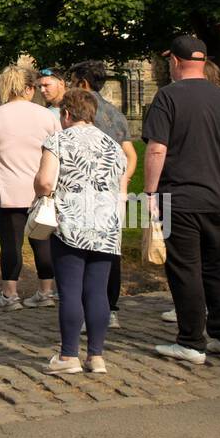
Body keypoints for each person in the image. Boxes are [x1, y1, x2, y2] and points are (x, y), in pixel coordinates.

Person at [142, 36, 220, 364]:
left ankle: (191, 342)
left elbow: (157, 148)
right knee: (218, 267)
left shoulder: (167, 97)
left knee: (185, 269)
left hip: (179, 198)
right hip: (218, 197)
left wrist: (148, 194)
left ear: (175, 61)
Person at [34, 88, 128, 375]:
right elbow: (120, 187)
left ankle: (68, 356)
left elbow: (46, 182)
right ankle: (96, 356)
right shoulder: (113, 145)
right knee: (97, 290)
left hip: (70, 223)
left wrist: (39, 190)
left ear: (66, 114)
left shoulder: (58, 140)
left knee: (71, 290)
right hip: (106, 224)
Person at [0, 65, 59, 311]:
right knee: (42, 241)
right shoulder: (46, 116)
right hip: (40, 189)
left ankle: (10, 295)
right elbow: (58, 151)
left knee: (10, 243)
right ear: (30, 88)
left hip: (5, 188)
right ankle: (46, 291)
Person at [67, 61, 137, 328]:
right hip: (112, 192)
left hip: (83, 191)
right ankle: (110, 309)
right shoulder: (115, 113)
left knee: (82, 250)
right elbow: (130, 155)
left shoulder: (77, 111)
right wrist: (123, 182)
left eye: (73, 80)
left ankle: (87, 311)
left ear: (83, 83)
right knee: (110, 250)